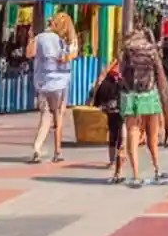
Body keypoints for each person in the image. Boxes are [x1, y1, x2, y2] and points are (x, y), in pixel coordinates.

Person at [118, 29, 168, 187]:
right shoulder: (151, 49)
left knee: (132, 134)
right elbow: (159, 72)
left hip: (131, 96)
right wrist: (165, 97)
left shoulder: (127, 51)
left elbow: (122, 73)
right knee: (152, 136)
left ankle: (135, 174)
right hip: (150, 94)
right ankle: (157, 169)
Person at [26, 12, 78, 164]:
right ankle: (57, 151)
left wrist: (31, 37)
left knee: (45, 115)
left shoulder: (40, 37)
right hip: (60, 83)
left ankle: (37, 147)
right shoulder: (67, 39)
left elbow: (29, 54)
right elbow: (71, 56)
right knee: (58, 116)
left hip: (42, 82)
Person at [90, 59, 126, 183]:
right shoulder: (120, 78)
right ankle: (117, 165)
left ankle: (113, 162)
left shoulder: (106, 80)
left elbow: (96, 97)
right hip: (120, 110)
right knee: (120, 136)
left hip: (111, 110)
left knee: (114, 134)